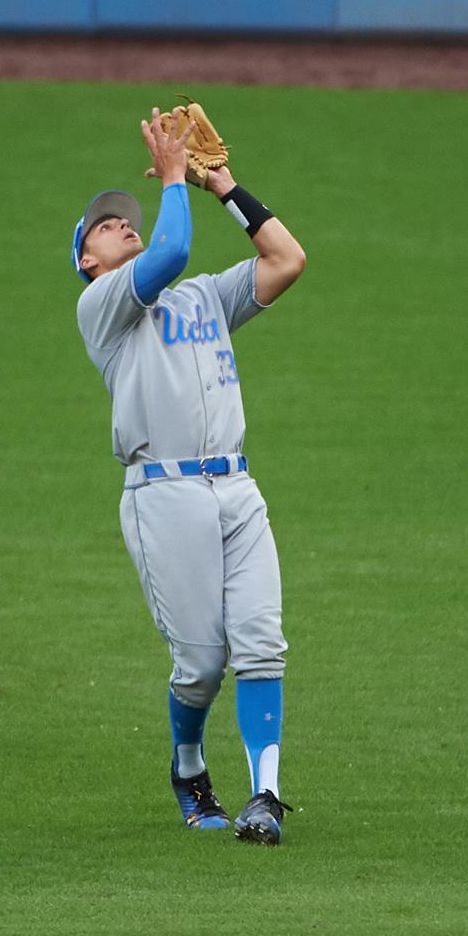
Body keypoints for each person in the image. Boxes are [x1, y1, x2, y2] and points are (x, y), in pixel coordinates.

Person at [72, 108, 308, 844]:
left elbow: (286, 260)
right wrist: (174, 178)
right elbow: (169, 248)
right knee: (202, 663)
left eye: (125, 219)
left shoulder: (204, 296)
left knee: (262, 641)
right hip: (163, 495)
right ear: (86, 260)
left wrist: (223, 185)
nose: (122, 225)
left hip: (237, 488)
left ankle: (265, 796)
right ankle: (187, 765)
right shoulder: (102, 307)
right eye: (105, 226)